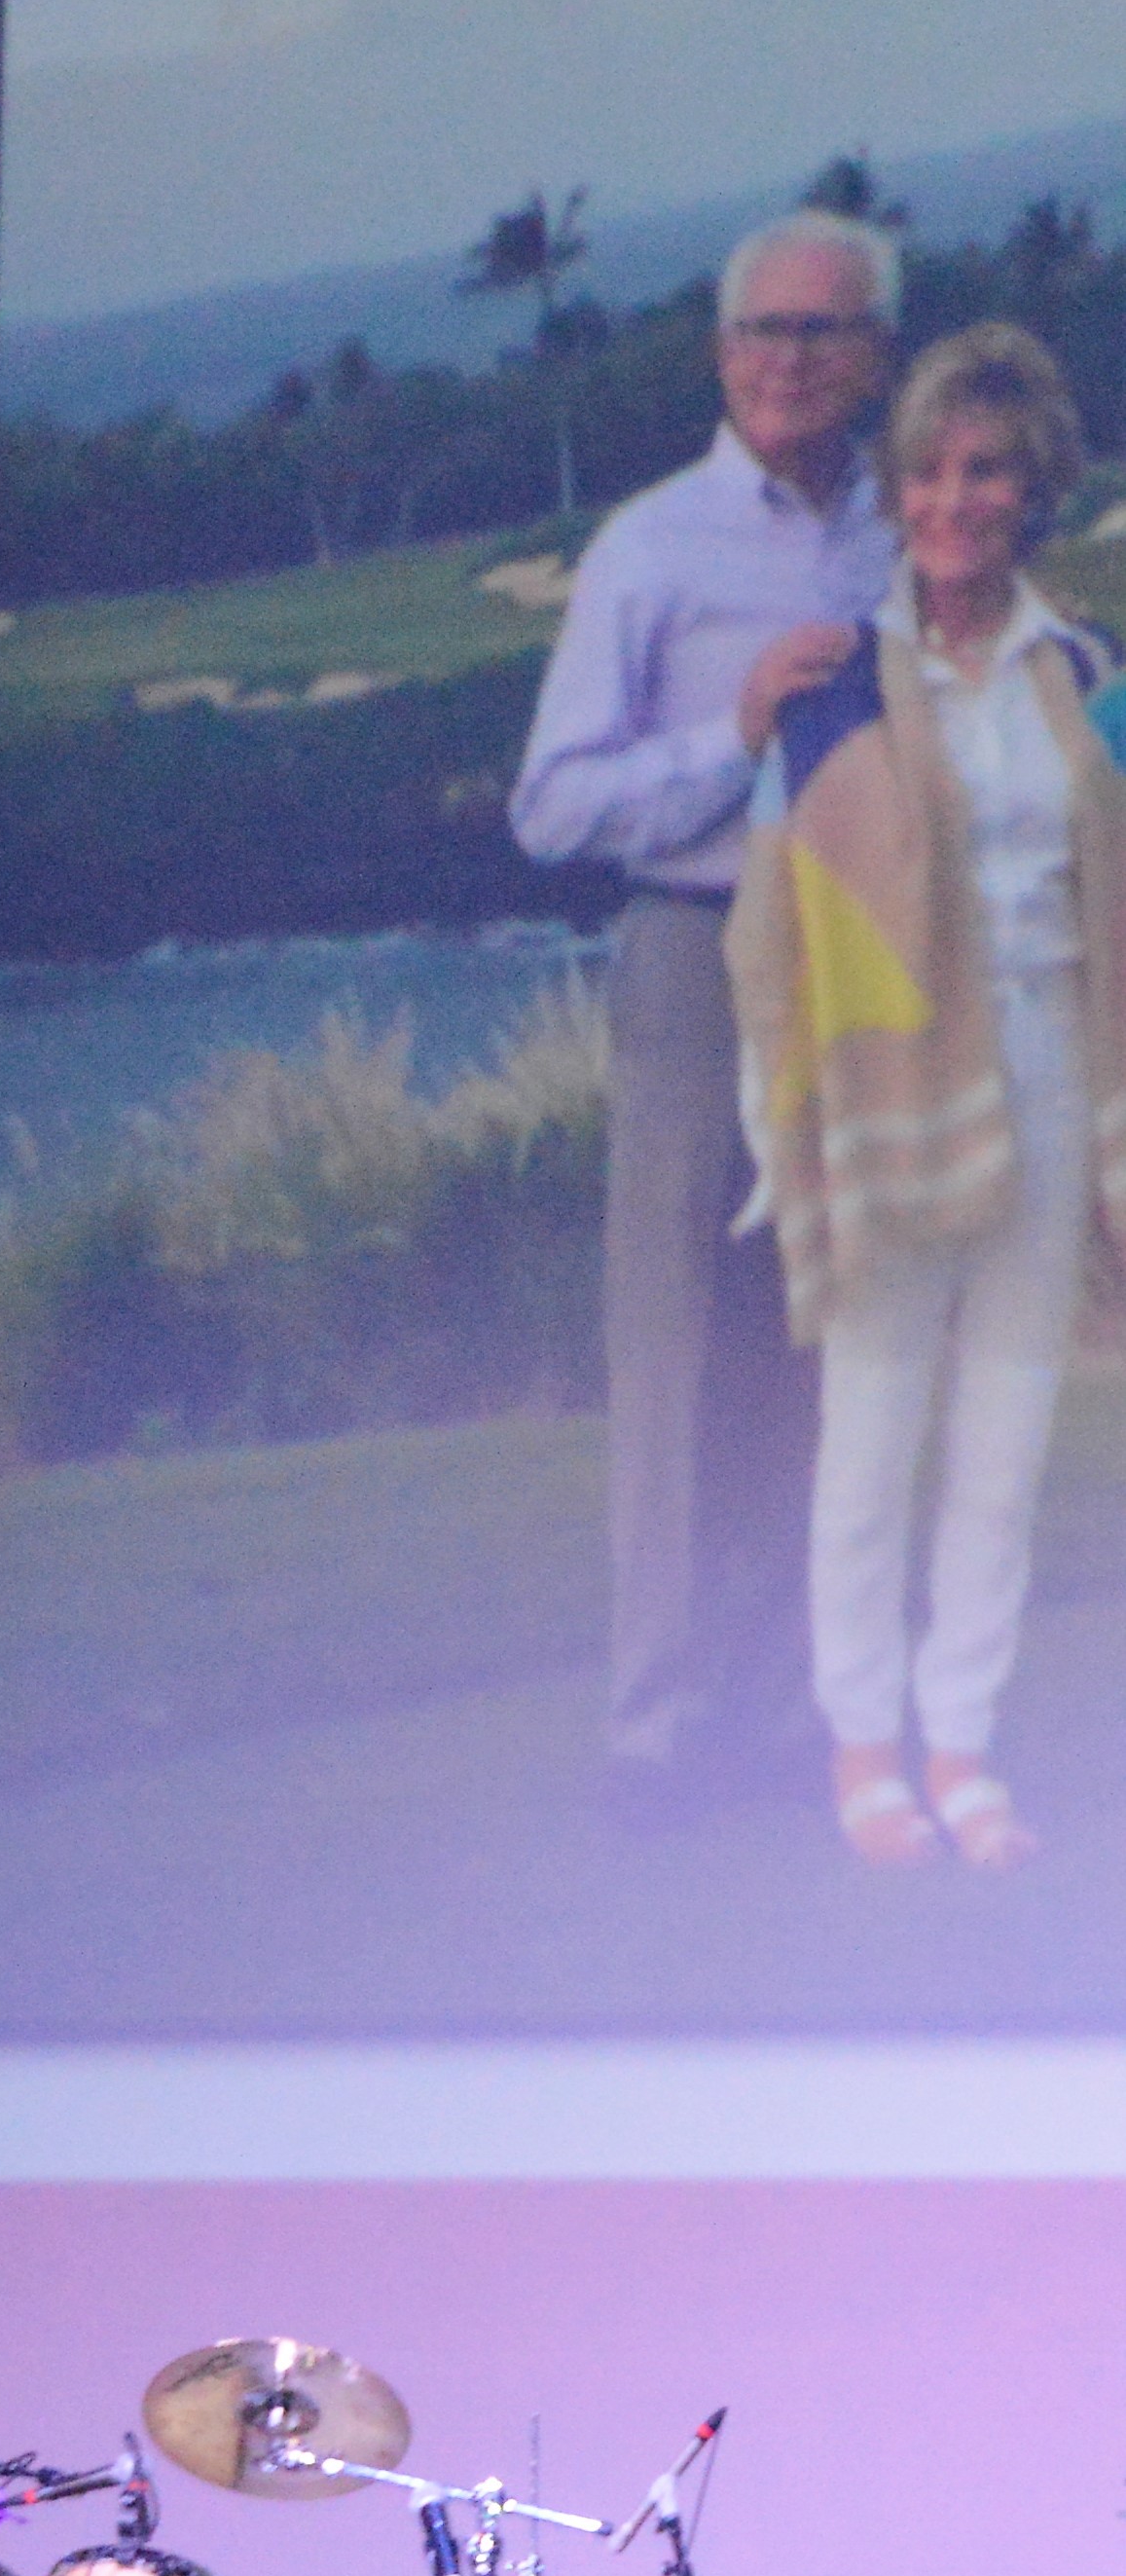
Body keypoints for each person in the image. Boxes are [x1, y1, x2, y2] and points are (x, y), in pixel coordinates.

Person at [513, 207, 901, 1822]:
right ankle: (660, 1733)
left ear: (874, 353)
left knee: (840, 1338)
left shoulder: (912, 521)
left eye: (822, 332)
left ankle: (805, 1700)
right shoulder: (651, 547)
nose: (789, 361)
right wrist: (728, 740)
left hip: (867, 957)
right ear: (721, 351)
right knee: (678, 1341)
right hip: (691, 950)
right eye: (763, 331)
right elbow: (549, 805)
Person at [731, 324, 1125, 1871]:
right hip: (896, 1097)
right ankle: (864, 1753)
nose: (957, 499)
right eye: (931, 471)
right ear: (896, 493)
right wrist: (794, 1127)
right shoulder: (832, 688)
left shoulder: (1087, 675)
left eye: (988, 470)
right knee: (873, 1442)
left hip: (1051, 1082)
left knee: (1003, 1448)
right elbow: (775, 931)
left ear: (1032, 485)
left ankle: (961, 1749)